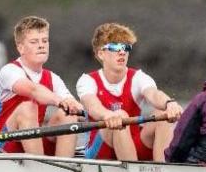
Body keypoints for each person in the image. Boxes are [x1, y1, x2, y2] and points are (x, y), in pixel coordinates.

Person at [76, 22, 183, 162]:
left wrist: (170, 103)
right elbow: (92, 105)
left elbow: (154, 94)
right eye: (115, 47)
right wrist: (107, 115)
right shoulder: (87, 81)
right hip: (102, 149)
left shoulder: (139, 77)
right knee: (120, 115)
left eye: (126, 47)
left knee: (162, 115)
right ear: (101, 54)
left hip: (133, 144)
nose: (122, 52)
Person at [0, 16, 84, 156]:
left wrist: (79, 109)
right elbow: (33, 90)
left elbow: (73, 104)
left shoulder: (53, 78)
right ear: (21, 48)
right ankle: (40, 168)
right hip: (1, 146)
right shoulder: (9, 71)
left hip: (32, 144)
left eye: (44, 41)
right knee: (28, 107)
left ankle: (65, 169)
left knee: (67, 115)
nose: (41, 45)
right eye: (34, 42)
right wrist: (59, 101)